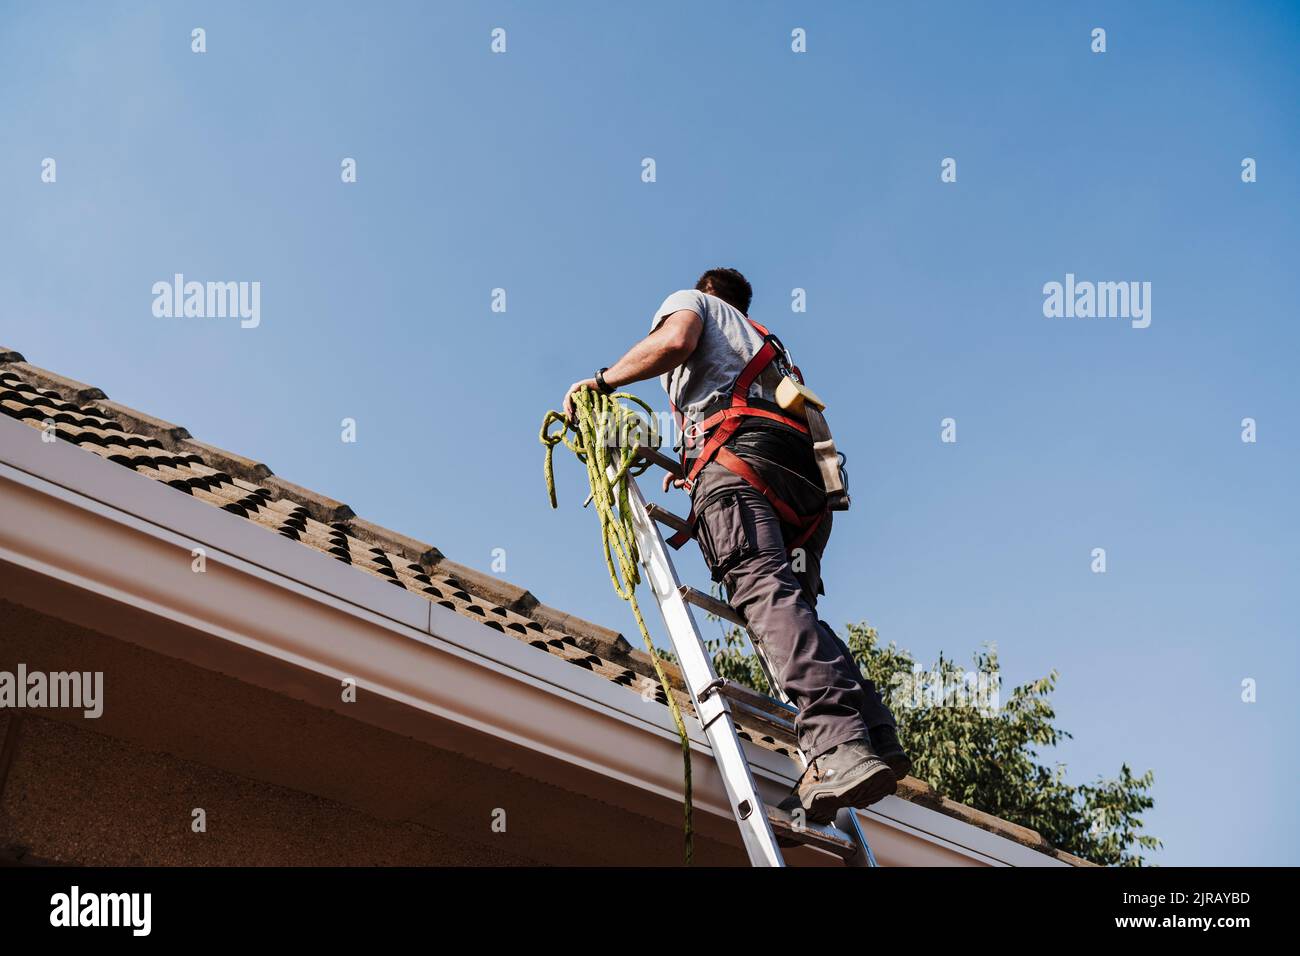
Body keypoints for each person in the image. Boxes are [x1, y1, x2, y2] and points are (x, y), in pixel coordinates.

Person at [562, 268, 910, 821]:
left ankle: (837, 744)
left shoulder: (692, 304)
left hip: (742, 463)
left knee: (765, 594)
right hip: (805, 481)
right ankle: (870, 731)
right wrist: (690, 465)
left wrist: (601, 382)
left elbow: (675, 341)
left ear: (704, 292)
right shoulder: (765, 343)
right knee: (792, 603)